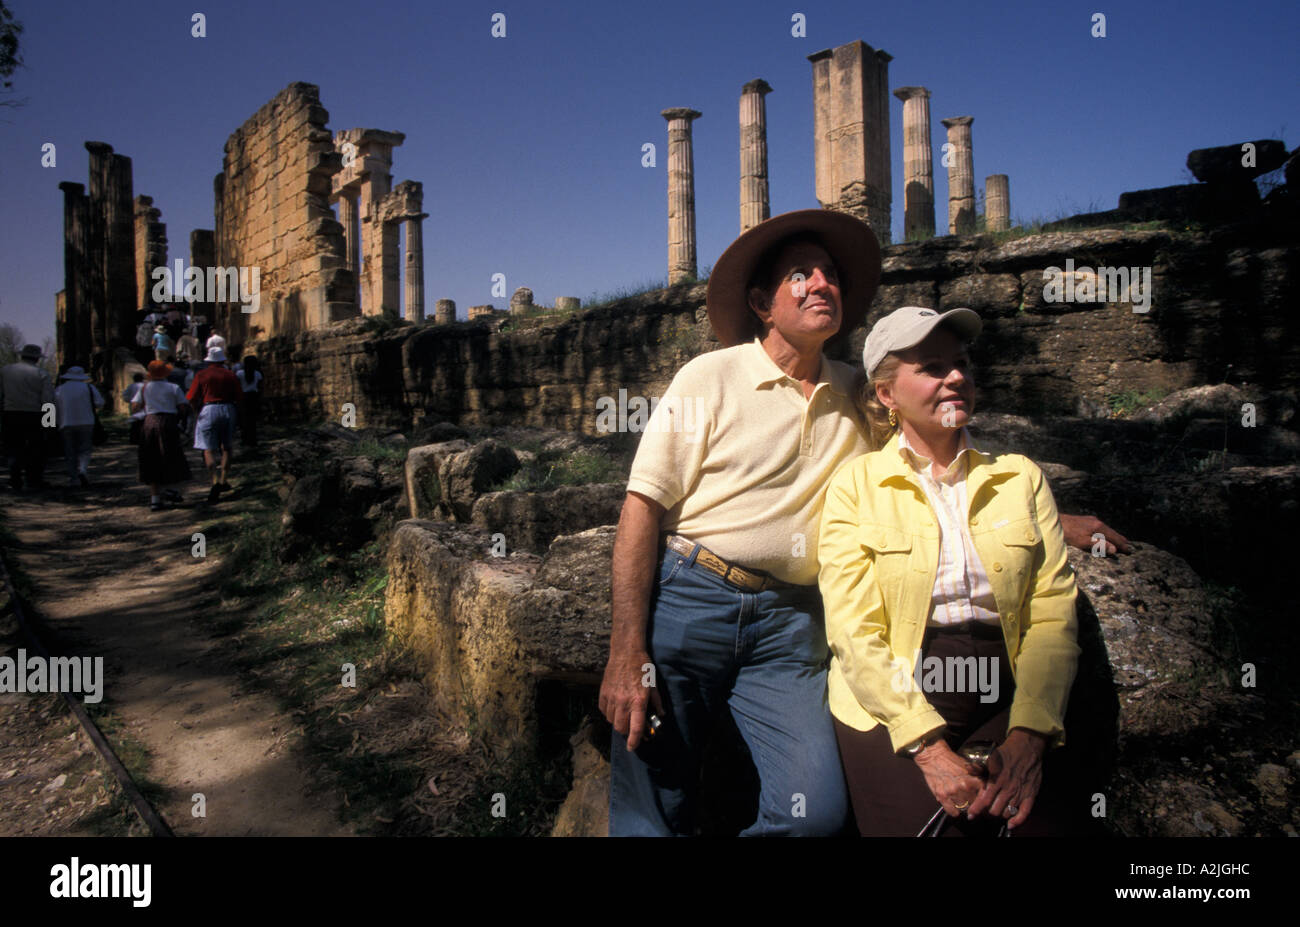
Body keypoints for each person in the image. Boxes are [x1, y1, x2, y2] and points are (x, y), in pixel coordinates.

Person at [599, 211, 1131, 838]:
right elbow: (643, 506)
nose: (823, 283)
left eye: (830, 274)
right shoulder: (709, 376)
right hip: (694, 593)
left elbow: (936, 464)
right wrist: (626, 650)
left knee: (816, 813)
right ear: (761, 303)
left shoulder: (859, 391)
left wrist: (1040, 518)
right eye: (800, 274)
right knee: (653, 797)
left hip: (792, 621)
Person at [818, 306, 1084, 836]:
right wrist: (926, 746)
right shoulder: (856, 486)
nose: (957, 377)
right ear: (887, 394)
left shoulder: (1020, 478)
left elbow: (1052, 612)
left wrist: (1030, 733)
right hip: (895, 688)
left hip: (1005, 685)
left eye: (961, 363)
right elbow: (854, 629)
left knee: (1026, 825)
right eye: (933, 368)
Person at [187, 346, 243, 503]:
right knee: (227, 446)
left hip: (209, 408)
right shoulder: (230, 375)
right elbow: (239, 397)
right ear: (222, 360)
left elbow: (192, 397)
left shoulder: (202, 375)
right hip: (228, 408)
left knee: (208, 448)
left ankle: (214, 480)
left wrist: (196, 410)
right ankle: (224, 478)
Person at [133, 360, 191, 510]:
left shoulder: (145, 387)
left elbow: (135, 406)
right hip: (168, 422)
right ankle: (172, 488)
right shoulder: (173, 387)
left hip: (150, 422)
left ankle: (155, 498)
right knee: (171, 454)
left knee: (151, 458)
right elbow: (183, 407)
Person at [0, 344, 55, 491]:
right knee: (36, 448)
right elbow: (48, 400)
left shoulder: (5, 371)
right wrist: (50, 422)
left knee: (13, 448)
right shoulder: (41, 374)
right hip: (34, 415)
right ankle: (33, 479)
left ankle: (15, 479)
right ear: (37, 359)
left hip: (11, 413)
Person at [53, 366, 104, 488]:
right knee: (85, 449)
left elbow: (53, 405)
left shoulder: (60, 389)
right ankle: (82, 470)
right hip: (86, 422)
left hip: (66, 422)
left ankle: (74, 479)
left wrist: (51, 423)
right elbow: (99, 403)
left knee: (70, 452)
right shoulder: (89, 387)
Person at [234, 355, 263, 449]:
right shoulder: (257, 374)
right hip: (254, 396)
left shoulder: (239, 373)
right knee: (252, 419)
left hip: (243, 397)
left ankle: (245, 439)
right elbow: (260, 387)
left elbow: (236, 385)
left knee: (243, 419)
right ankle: (253, 439)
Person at [121, 372, 147, 445]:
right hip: (144, 406)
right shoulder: (145, 386)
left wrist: (130, 400)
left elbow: (125, 396)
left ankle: (134, 439)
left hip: (134, 405)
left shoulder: (131, 386)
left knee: (135, 422)